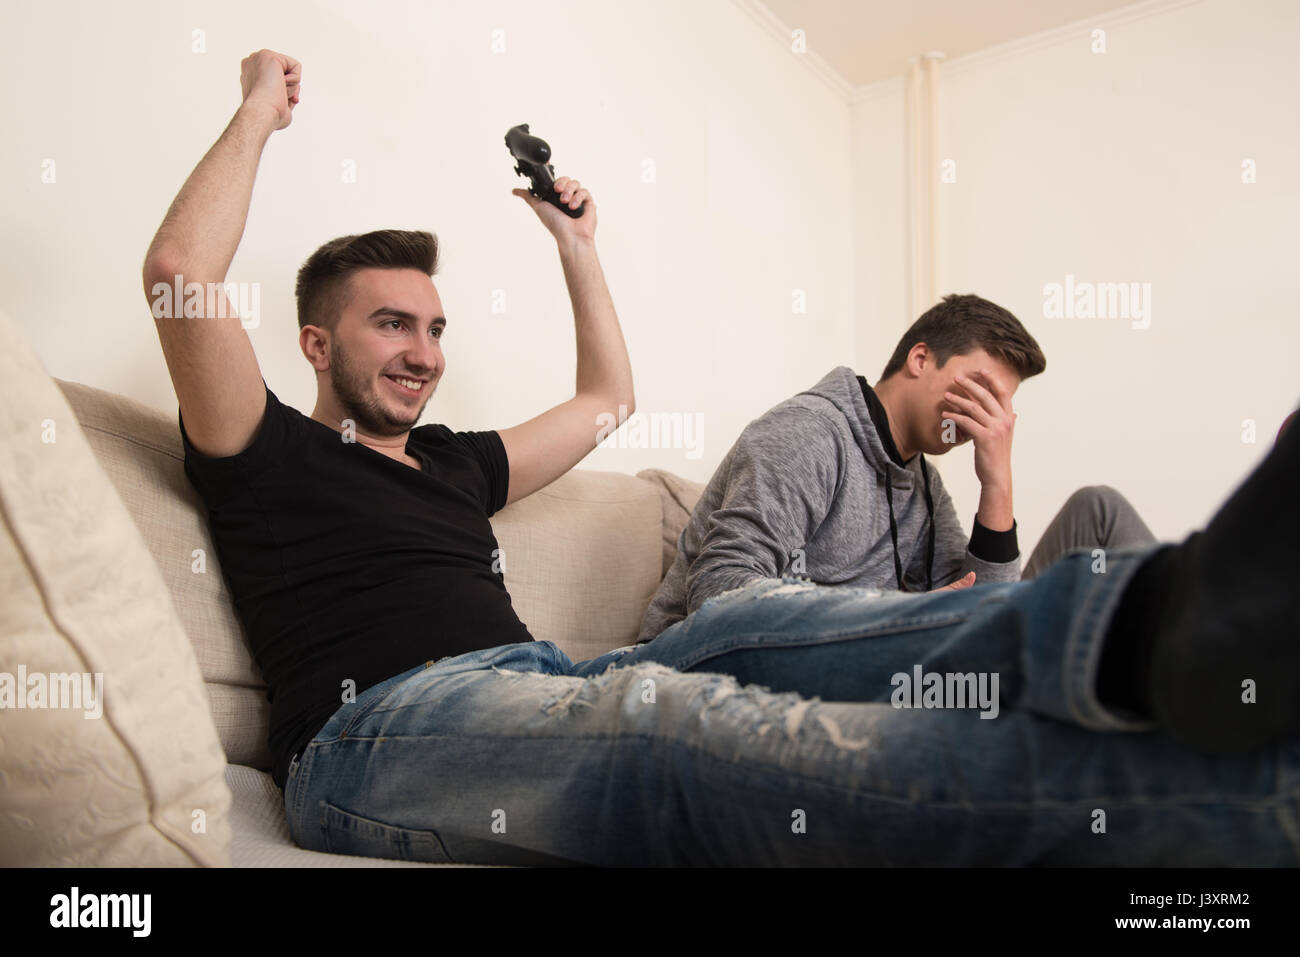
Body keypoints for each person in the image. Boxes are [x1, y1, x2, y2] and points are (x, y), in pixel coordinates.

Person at [146, 50, 1300, 866]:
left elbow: (609, 401)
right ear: (315, 341)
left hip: (543, 683)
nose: (423, 351)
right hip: (370, 736)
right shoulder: (266, 448)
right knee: (669, 720)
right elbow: (177, 278)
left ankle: (1168, 622)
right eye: (390, 324)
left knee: (771, 631)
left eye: (437, 327)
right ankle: (1240, 805)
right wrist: (256, 108)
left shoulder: (452, 464)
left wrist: (576, 243)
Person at [636, 296, 1157, 644]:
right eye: (979, 388)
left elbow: (984, 609)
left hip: (891, 664)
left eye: (1001, 404)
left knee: (1099, 511)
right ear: (921, 359)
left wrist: (997, 482)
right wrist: (895, 618)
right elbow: (720, 594)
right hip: (705, 662)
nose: (987, 416)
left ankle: (1195, 662)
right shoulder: (809, 432)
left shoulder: (923, 483)